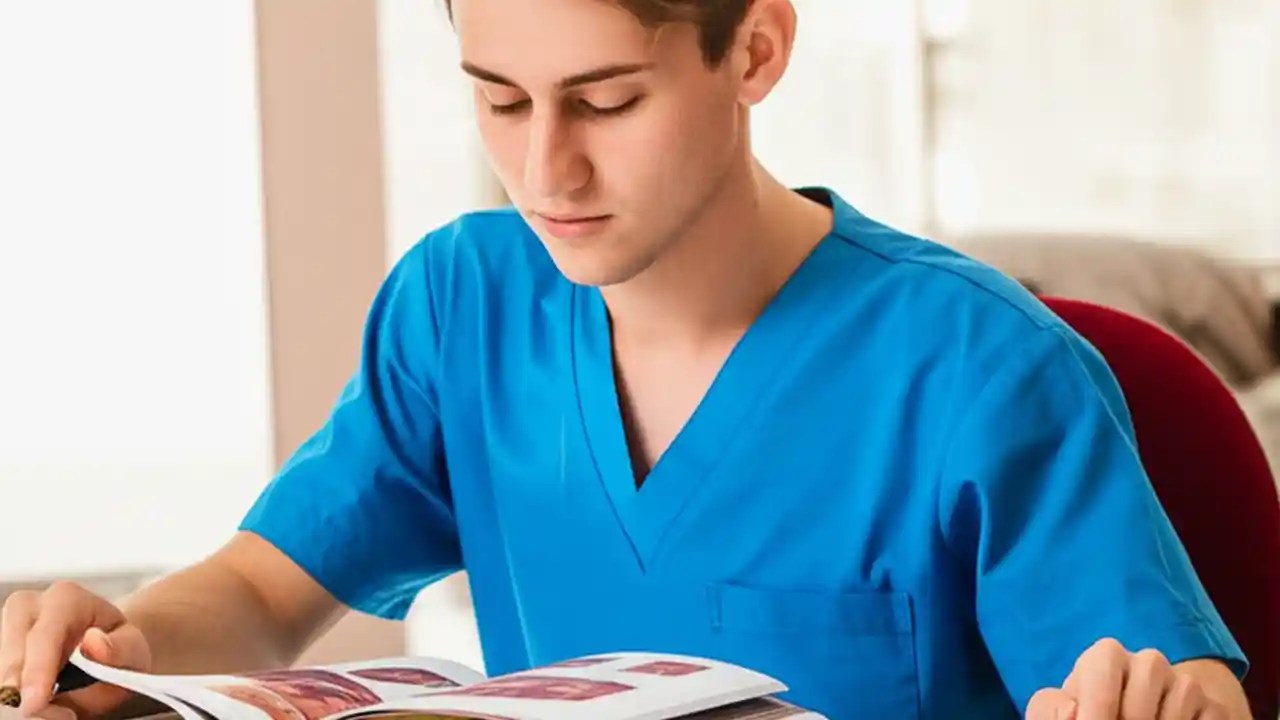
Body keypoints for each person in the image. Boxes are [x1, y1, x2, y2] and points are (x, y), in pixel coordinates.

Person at [0, 0, 1252, 718]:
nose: (547, 169)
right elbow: (266, 593)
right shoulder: (462, 305)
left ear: (754, 49)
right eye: (498, 100)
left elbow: (1173, 686)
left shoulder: (978, 372)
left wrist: (1176, 700)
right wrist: (126, 651)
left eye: (605, 103)